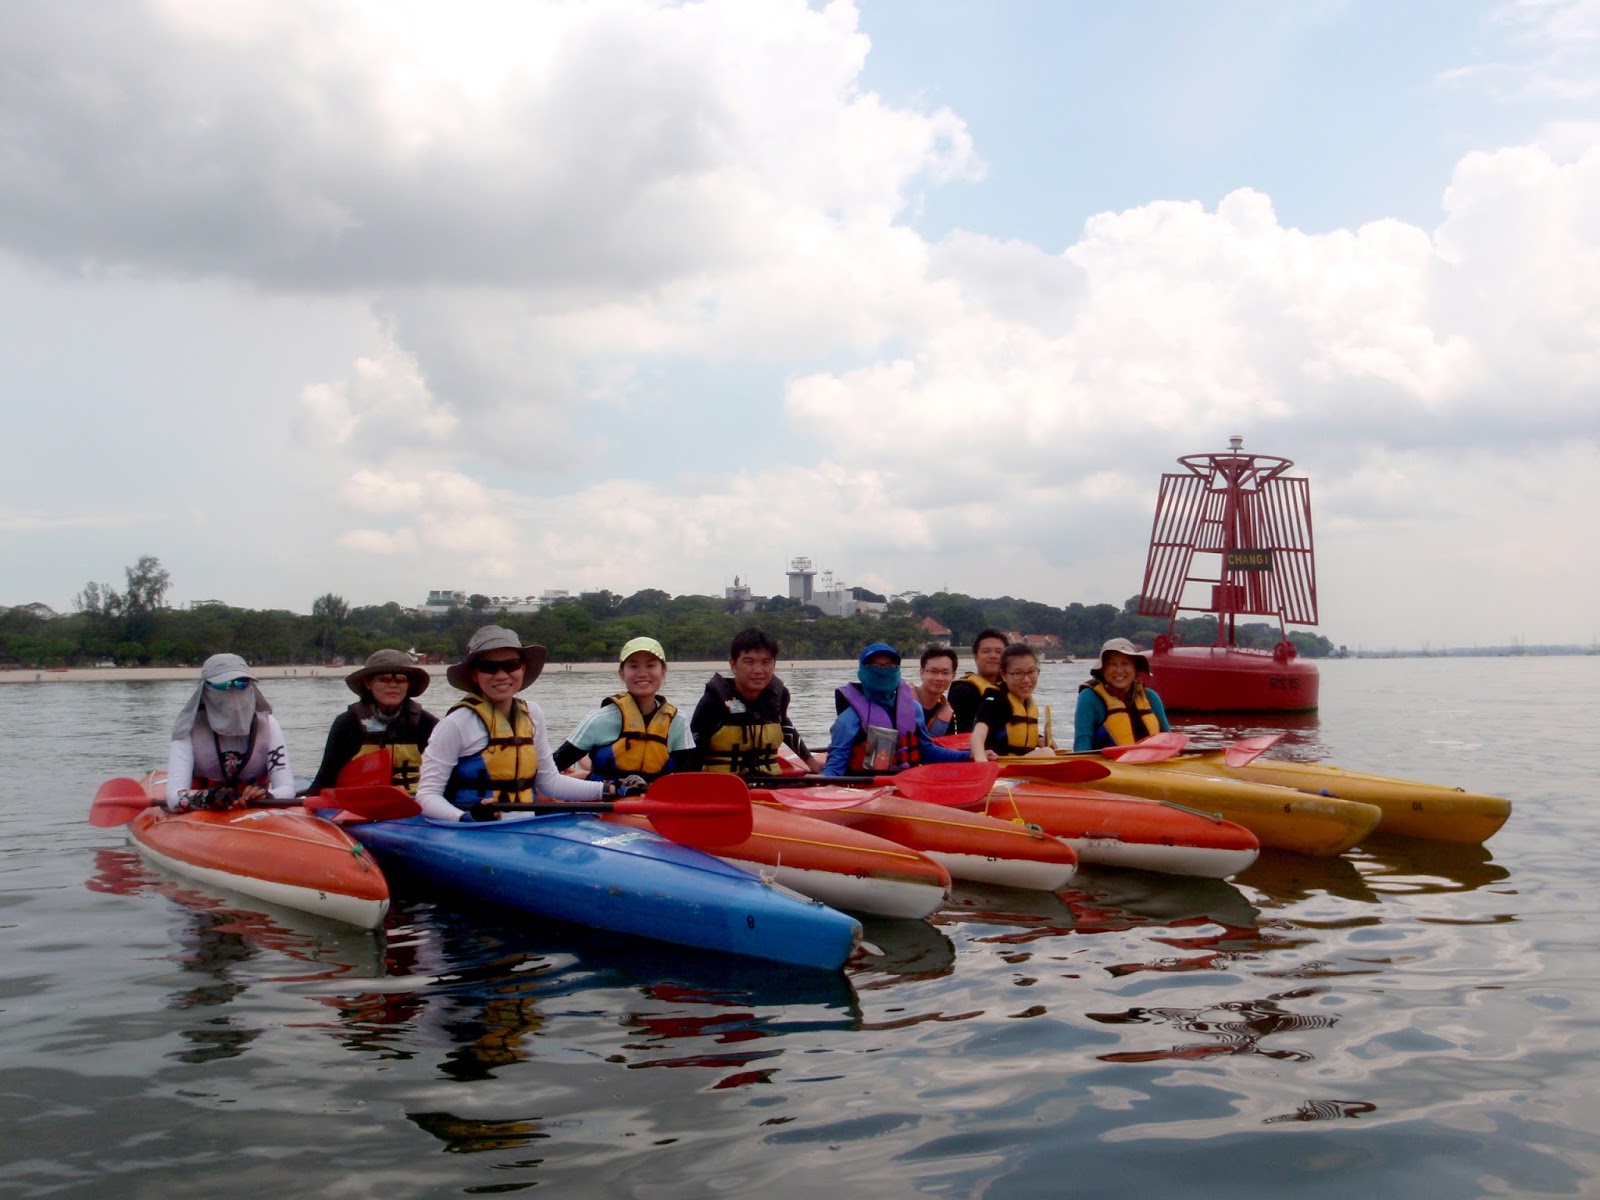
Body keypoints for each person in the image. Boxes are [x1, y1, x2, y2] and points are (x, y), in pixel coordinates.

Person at [413, 625, 623, 822]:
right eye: (489, 667)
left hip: (525, 830)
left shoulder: (533, 713)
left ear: (522, 668)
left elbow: (550, 782)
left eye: (510, 665)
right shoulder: (455, 724)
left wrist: (609, 788)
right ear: (475, 675)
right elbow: (427, 796)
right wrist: (465, 818)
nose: (502, 675)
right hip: (474, 832)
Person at [164, 653, 296, 811]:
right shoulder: (188, 729)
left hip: (254, 809)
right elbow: (173, 798)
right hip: (206, 811)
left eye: (242, 683)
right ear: (205, 689)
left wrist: (267, 796)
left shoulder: (269, 725)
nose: (233, 691)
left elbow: (287, 789)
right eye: (223, 685)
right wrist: (210, 797)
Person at [822, 643, 976, 775]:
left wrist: (970, 756)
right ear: (862, 671)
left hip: (907, 786)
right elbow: (834, 769)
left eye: (889, 666)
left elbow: (927, 752)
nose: (883, 671)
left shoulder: (913, 709)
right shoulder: (848, 719)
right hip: (867, 791)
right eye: (875, 665)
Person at [554, 636, 693, 782]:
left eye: (651, 666)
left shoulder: (677, 721)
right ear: (621, 673)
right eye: (633, 666)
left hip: (654, 801)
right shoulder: (599, 719)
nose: (642, 673)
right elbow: (552, 767)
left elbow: (687, 779)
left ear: (663, 671)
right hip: (603, 801)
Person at [689, 627, 822, 776]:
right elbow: (693, 751)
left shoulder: (779, 696)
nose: (758, 670)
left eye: (766, 662)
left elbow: (784, 725)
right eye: (749, 662)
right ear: (733, 665)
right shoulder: (712, 702)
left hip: (772, 784)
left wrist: (810, 761)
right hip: (723, 787)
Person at [307, 649, 440, 796]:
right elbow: (325, 778)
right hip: (358, 805)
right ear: (368, 683)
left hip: (411, 804)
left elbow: (444, 773)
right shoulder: (347, 723)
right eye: (384, 678)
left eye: (401, 679)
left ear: (409, 685)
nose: (394, 685)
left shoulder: (425, 723)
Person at [1073, 637, 1172, 752]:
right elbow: (1082, 744)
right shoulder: (1089, 697)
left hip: (1151, 765)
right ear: (1102, 669)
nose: (1119, 670)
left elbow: (1168, 739)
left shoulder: (1151, 697)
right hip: (1109, 766)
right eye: (1112, 664)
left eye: (1125, 663)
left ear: (1136, 669)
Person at [970, 643, 1053, 759]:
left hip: (1021, 765)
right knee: (1047, 753)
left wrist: (1039, 740)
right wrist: (981, 761)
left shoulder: (1027, 702)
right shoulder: (995, 700)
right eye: (1018, 673)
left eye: (1031, 672)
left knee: (1051, 751)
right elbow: (978, 735)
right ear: (1003, 675)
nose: (1026, 680)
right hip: (1000, 766)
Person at [947, 627, 1009, 734]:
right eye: (986, 651)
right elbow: (962, 731)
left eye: (999, 652)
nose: (993, 656)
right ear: (975, 656)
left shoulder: (1011, 690)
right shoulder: (963, 690)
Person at [914, 643, 958, 737]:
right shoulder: (900, 701)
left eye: (945, 673)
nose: (939, 678)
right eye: (933, 672)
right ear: (921, 673)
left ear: (953, 676)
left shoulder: (949, 715)